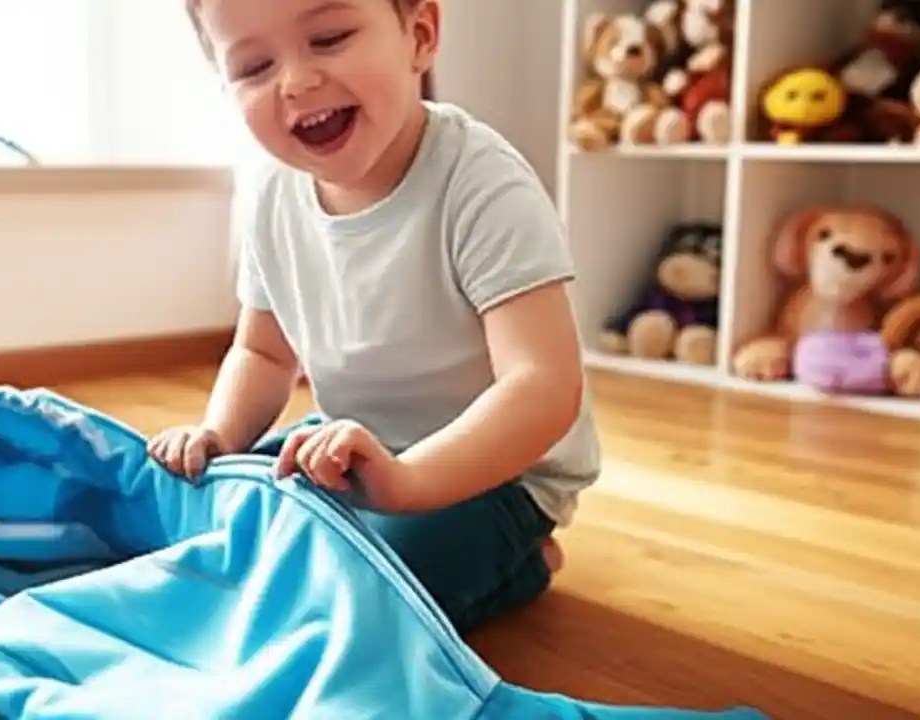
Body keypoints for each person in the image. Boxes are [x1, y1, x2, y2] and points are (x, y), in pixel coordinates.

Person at [147, 0, 601, 634]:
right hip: (359, 437)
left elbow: (544, 387)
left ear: (419, 36)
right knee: (231, 505)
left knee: (373, 592)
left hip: (500, 468)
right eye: (253, 66)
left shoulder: (482, 184)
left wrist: (410, 481)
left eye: (329, 37)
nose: (296, 81)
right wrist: (219, 436)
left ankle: (523, 561)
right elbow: (264, 354)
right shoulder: (271, 196)